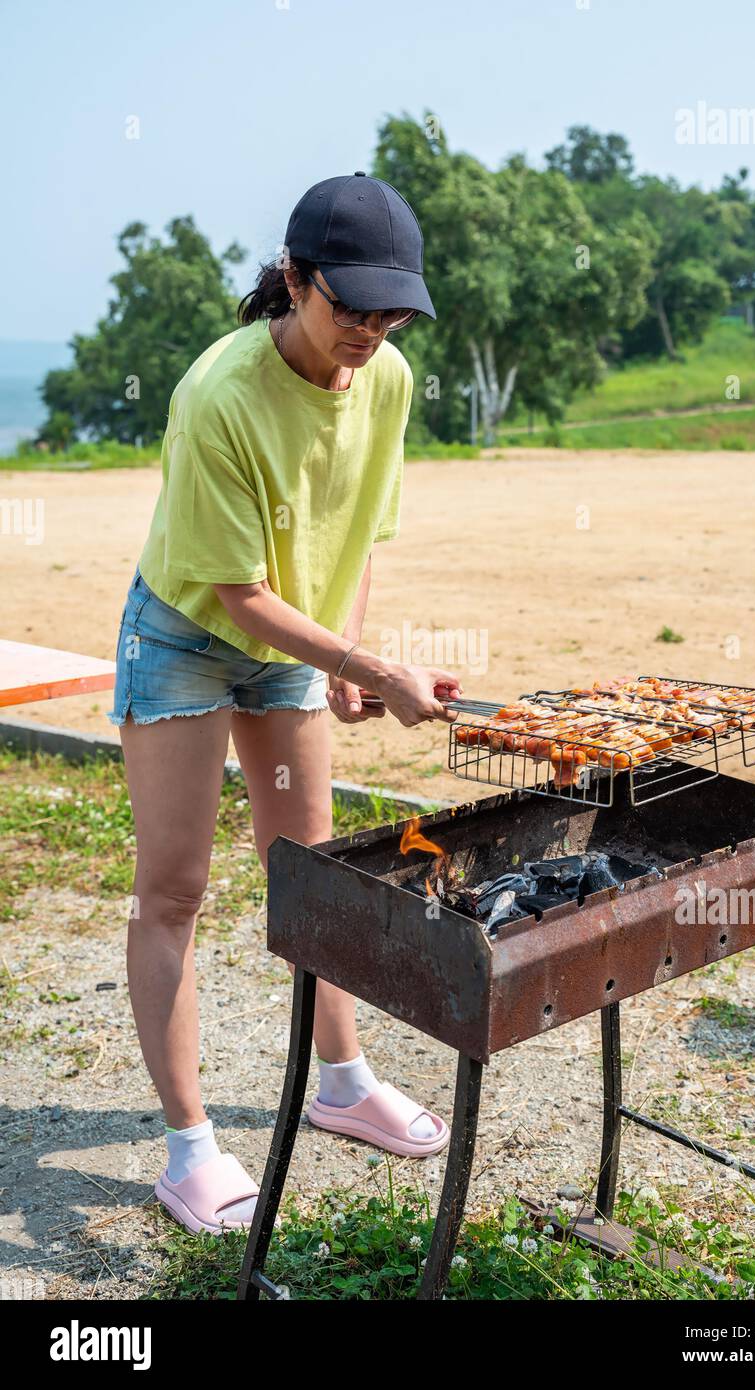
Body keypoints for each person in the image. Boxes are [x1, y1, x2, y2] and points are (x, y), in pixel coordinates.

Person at [107, 172, 463, 1235]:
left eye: (389, 311)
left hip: (289, 638)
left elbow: (357, 532)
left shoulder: (386, 378)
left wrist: (351, 664)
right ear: (296, 281)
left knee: (311, 877)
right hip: (185, 636)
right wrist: (363, 661)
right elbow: (237, 593)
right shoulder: (219, 394)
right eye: (348, 304)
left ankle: (342, 1084)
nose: (369, 330)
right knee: (173, 889)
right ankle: (189, 1149)